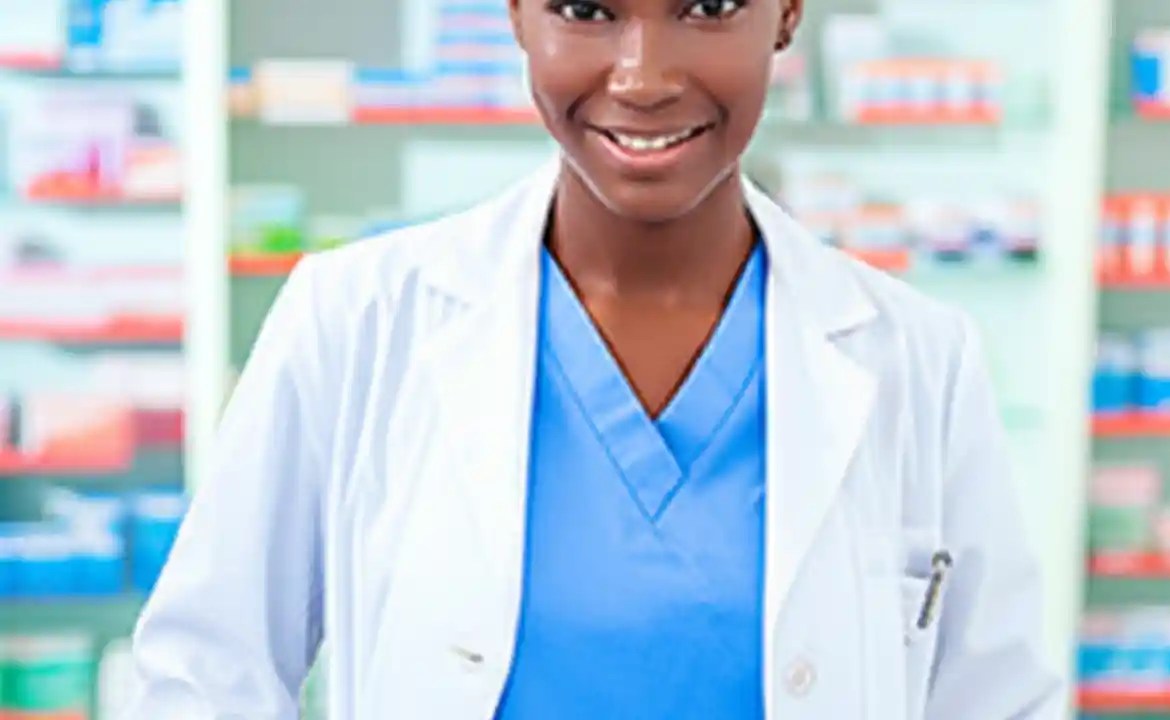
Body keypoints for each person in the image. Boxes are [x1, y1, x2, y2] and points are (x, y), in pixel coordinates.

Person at [129, 0, 1062, 717]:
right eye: (585, 9)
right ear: (516, 15)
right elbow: (203, 677)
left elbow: (997, 700)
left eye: (706, 7)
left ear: (787, 13)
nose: (643, 75)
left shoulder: (916, 358)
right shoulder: (355, 320)